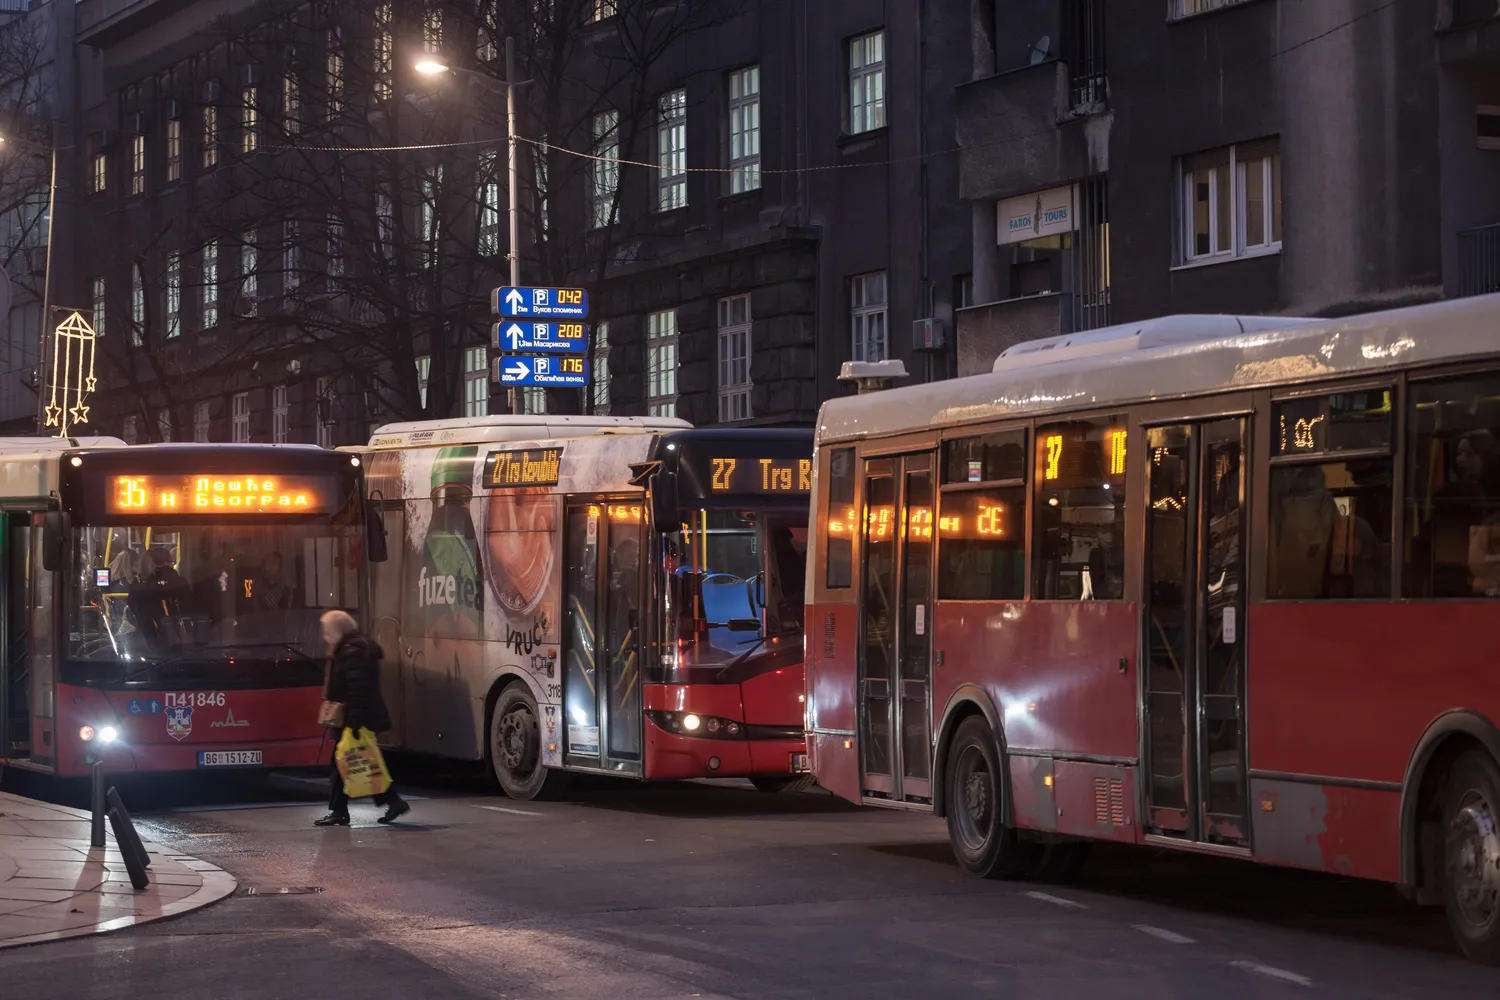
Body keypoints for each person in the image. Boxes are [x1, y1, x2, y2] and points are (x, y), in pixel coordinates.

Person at [315, 610, 410, 826]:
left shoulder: (352, 652)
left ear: (337, 630)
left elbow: (359, 690)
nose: (324, 636)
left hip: (355, 718)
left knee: (344, 763)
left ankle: (340, 811)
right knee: (363, 763)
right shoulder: (353, 649)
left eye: (327, 631)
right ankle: (392, 802)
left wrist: (354, 722)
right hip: (356, 717)